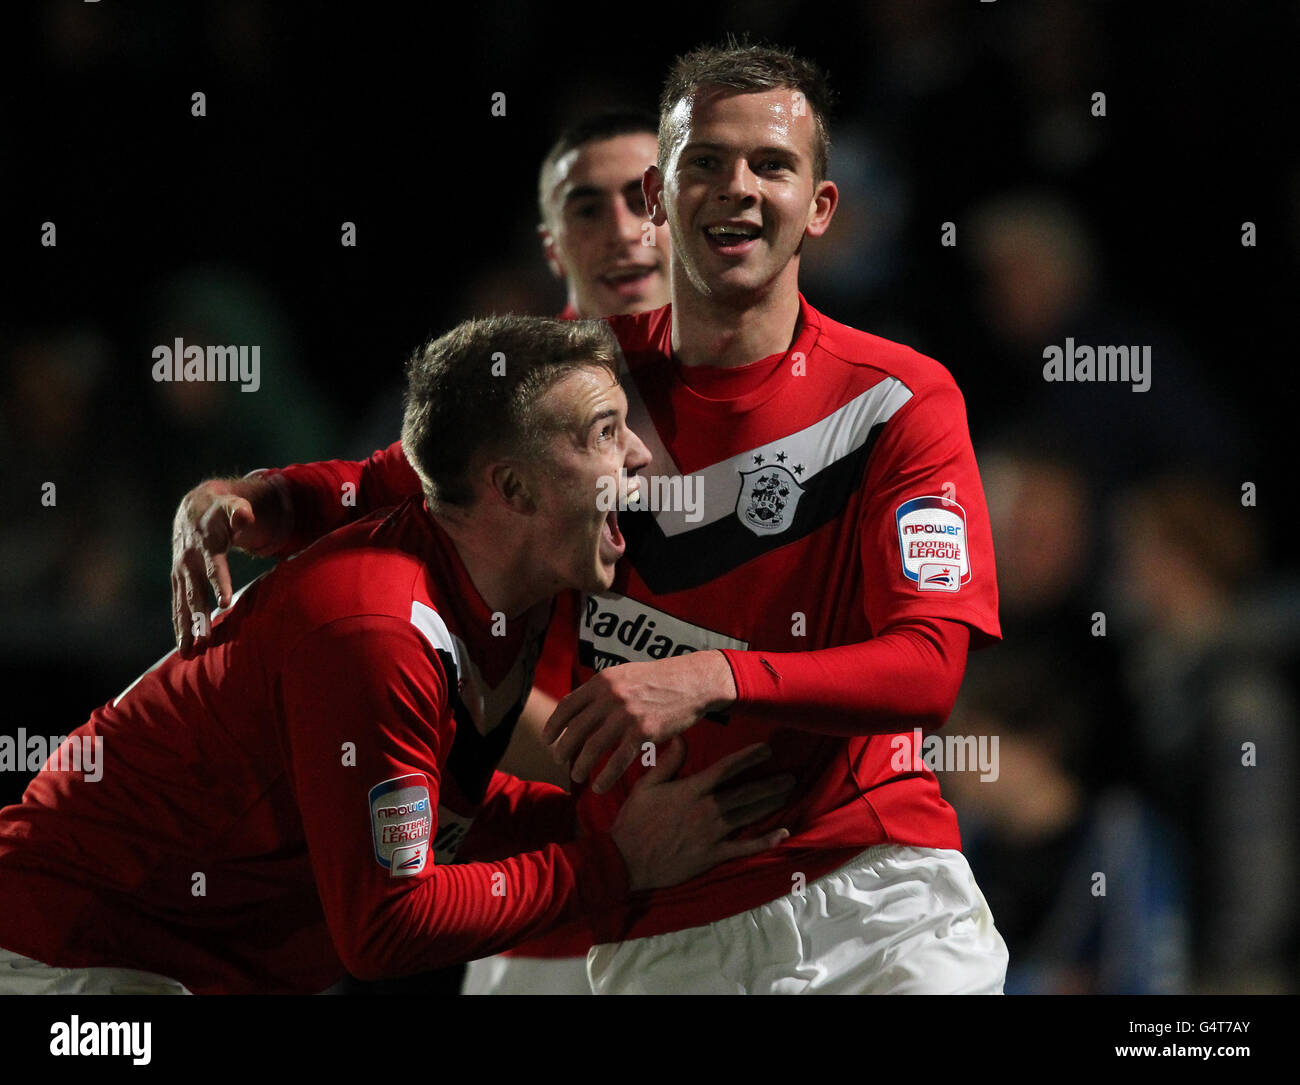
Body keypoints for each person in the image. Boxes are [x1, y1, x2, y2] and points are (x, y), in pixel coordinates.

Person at [170, 42, 1009, 994]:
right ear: (661, 199)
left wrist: (710, 677)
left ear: (819, 207)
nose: (737, 188)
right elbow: (398, 477)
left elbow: (929, 668)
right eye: (705, 163)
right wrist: (258, 500)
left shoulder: (899, 397)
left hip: (876, 892)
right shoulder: (579, 378)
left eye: (772, 165)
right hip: (666, 921)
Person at [0, 315, 792, 994]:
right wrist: (613, 859)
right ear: (512, 489)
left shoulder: (496, 552)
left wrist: (619, 821)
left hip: (199, 957)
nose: (641, 457)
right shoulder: (379, 637)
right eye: (606, 433)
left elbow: (439, 811)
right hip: (72, 952)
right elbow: (385, 926)